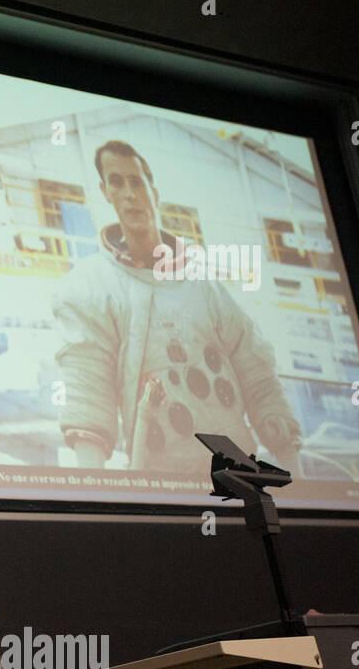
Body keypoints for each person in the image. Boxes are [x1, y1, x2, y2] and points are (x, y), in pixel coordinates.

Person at [52, 139, 301, 475]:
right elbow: (87, 383)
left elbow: (253, 365)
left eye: (137, 182)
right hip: (161, 478)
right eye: (117, 183)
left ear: (154, 192)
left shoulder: (204, 285)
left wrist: (287, 451)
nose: (129, 193)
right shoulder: (92, 287)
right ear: (105, 192)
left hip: (234, 471)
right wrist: (91, 479)